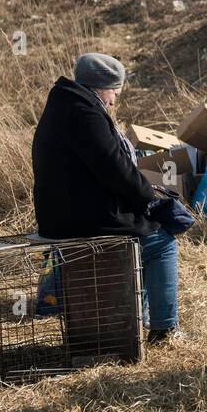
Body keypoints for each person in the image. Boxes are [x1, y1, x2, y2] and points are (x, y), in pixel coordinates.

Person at [31, 52, 182, 344]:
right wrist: (148, 198)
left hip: (61, 214)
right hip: (79, 219)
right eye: (115, 92)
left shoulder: (63, 104)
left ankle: (140, 318)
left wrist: (143, 198)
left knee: (148, 227)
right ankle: (164, 329)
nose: (114, 100)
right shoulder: (85, 114)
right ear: (102, 87)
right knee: (160, 241)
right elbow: (116, 169)